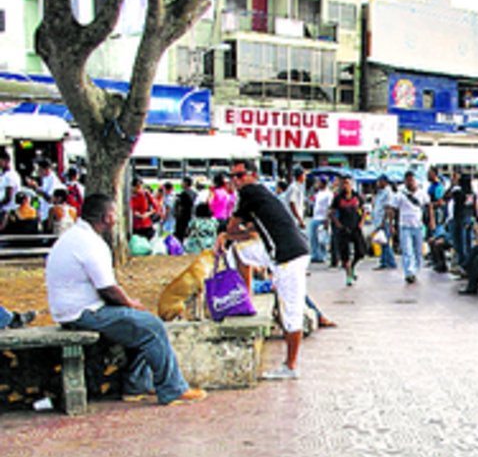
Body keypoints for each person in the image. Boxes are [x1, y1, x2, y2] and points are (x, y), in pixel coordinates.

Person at [44, 192, 205, 405]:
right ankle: (172, 389)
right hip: (84, 313)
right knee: (153, 326)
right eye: (115, 214)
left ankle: (137, 386)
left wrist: (130, 307)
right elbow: (108, 290)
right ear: (107, 217)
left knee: (139, 324)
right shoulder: (91, 243)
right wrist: (130, 303)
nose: (116, 219)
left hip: (70, 310)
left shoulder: (74, 236)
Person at [219, 162, 310, 379]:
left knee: (292, 312)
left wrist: (226, 234)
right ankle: (246, 298)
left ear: (252, 175)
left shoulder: (249, 192)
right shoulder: (261, 194)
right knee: (239, 252)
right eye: (232, 177)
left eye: (240, 175)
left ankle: (290, 366)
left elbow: (233, 227)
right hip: (280, 252)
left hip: (288, 256)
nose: (236, 181)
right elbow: (251, 233)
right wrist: (229, 236)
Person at [395, 170, 433, 284]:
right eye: (407, 180)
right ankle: (409, 272)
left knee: (417, 251)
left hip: (418, 226)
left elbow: (429, 206)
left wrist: (431, 221)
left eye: (411, 180)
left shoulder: (421, 193)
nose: (410, 182)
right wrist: (393, 224)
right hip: (404, 226)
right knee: (407, 250)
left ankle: (415, 271)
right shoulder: (400, 194)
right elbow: (393, 209)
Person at [329, 175, 366, 286]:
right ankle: (349, 275)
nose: (345, 186)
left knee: (361, 251)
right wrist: (338, 224)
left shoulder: (356, 197)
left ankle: (353, 266)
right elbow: (331, 213)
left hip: (355, 227)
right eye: (343, 183)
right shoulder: (338, 198)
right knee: (345, 254)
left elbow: (363, 210)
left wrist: (361, 222)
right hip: (344, 228)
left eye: (347, 183)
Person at [371, 175, 397, 270]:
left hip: (384, 221)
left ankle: (389, 262)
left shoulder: (388, 193)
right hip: (378, 220)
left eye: (380, 181)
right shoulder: (380, 192)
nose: (378, 183)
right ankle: (384, 261)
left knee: (385, 242)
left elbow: (388, 209)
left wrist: (384, 222)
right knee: (382, 242)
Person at [308, 177, 333, 263]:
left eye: (318, 182)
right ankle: (315, 254)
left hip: (323, 218)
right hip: (316, 217)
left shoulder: (328, 194)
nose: (317, 184)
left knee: (322, 239)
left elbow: (329, 207)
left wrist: (327, 219)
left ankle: (323, 255)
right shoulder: (318, 193)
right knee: (314, 237)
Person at [173, 176, 196, 244]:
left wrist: (176, 215)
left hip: (182, 218)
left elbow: (179, 207)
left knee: (179, 237)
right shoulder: (194, 194)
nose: (181, 184)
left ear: (185, 183)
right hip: (191, 217)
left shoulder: (183, 194)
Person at [285, 167, 307, 231]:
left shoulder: (298, 186)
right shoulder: (294, 187)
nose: (305, 177)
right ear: (300, 176)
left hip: (295, 219)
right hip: (293, 219)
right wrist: (299, 219)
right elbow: (292, 203)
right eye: (304, 175)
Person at [0, 148, 20, 217]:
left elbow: (8, 197)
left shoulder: (10, 175)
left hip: (8, 211)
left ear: (6, 161)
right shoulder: (3, 175)